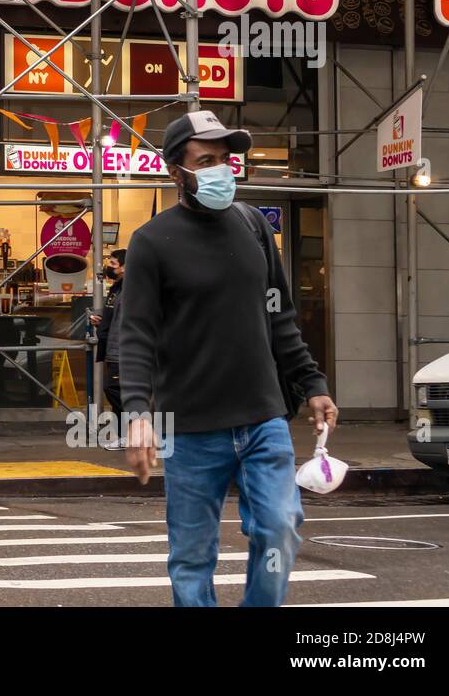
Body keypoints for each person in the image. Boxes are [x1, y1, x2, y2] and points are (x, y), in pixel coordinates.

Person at [119, 110, 338, 607]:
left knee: (280, 530)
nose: (222, 170)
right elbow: (134, 336)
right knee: (192, 558)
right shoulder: (151, 243)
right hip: (192, 430)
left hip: (264, 419)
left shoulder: (254, 226)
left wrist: (313, 383)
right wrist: (137, 414)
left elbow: (279, 314)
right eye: (207, 160)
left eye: (226, 159)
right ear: (177, 171)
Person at [93, 248, 126, 418]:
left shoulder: (127, 290)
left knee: (112, 388)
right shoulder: (116, 288)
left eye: (113, 263)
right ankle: (123, 435)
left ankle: (139, 424)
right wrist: (102, 321)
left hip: (120, 351)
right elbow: (115, 316)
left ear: (124, 268)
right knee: (117, 390)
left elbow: (125, 321)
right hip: (112, 349)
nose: (108, 266)